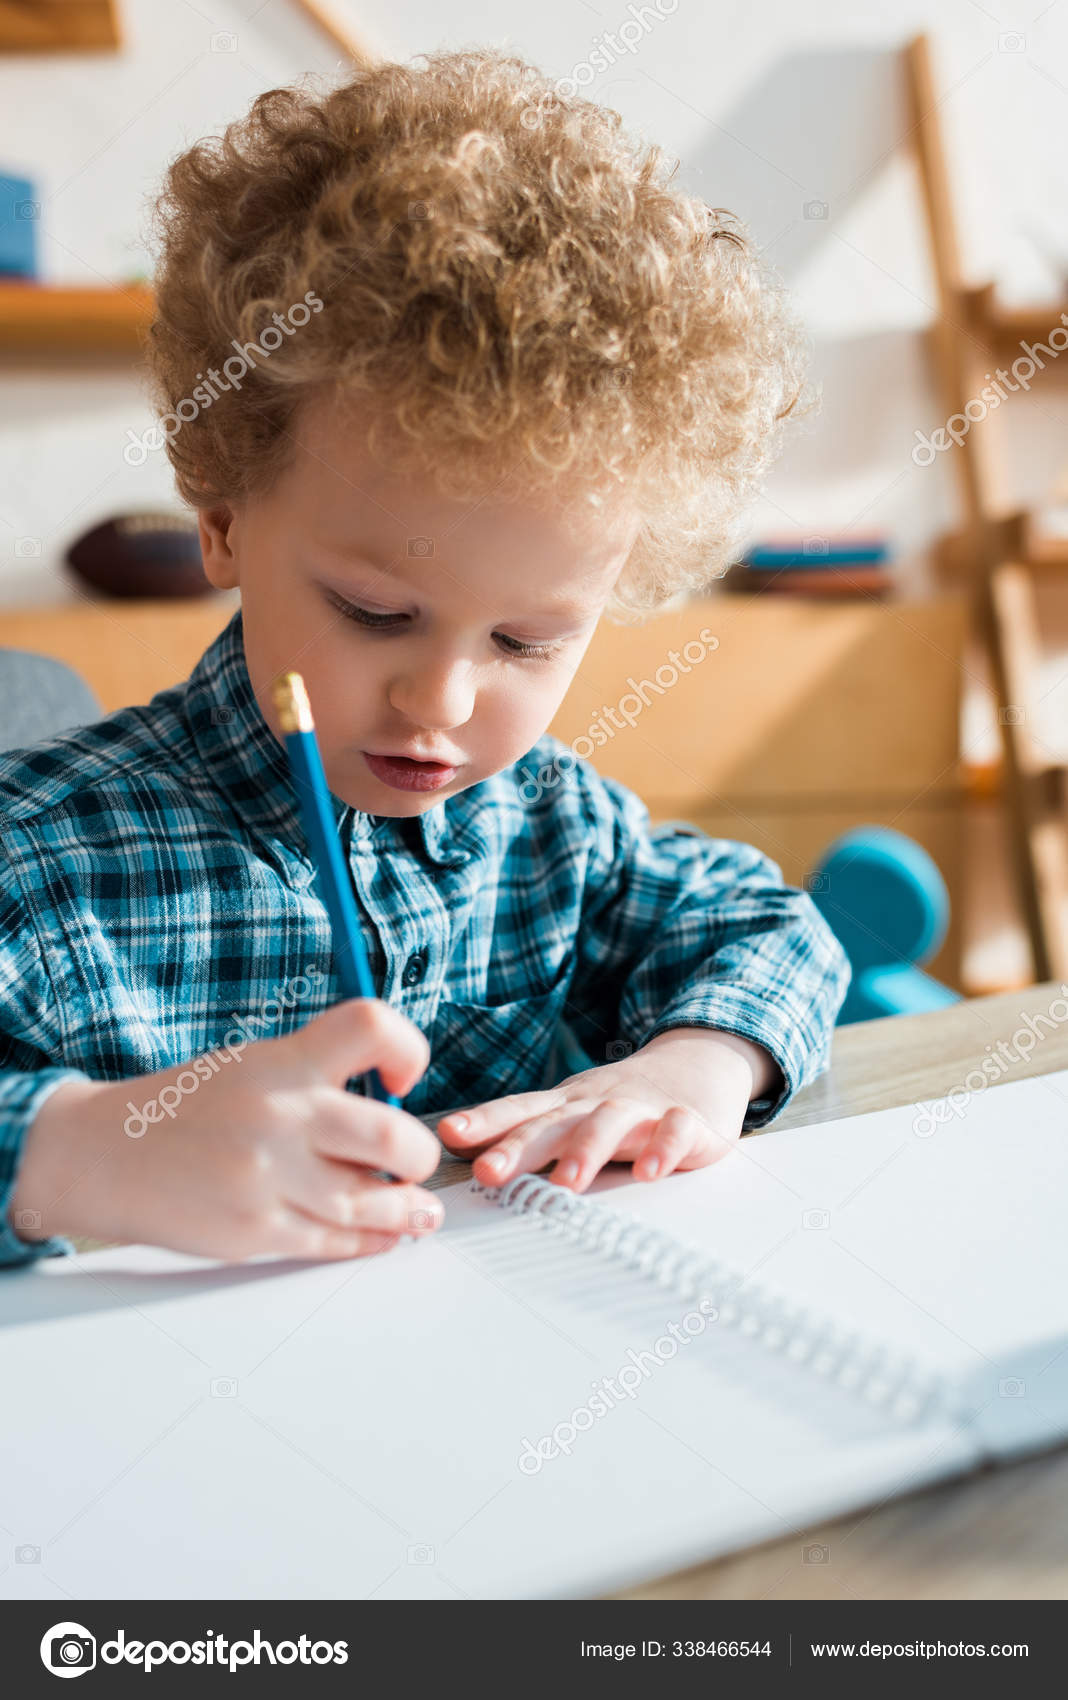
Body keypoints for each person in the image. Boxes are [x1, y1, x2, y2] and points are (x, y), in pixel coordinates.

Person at [1, 48, 850, 1269]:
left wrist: (696, 1062)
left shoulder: (552, 827)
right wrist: (76, 1152)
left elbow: (768, 928)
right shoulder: (40, 861)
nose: (440, 700)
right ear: (224, 518)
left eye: (527, 639)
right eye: (373, 610)